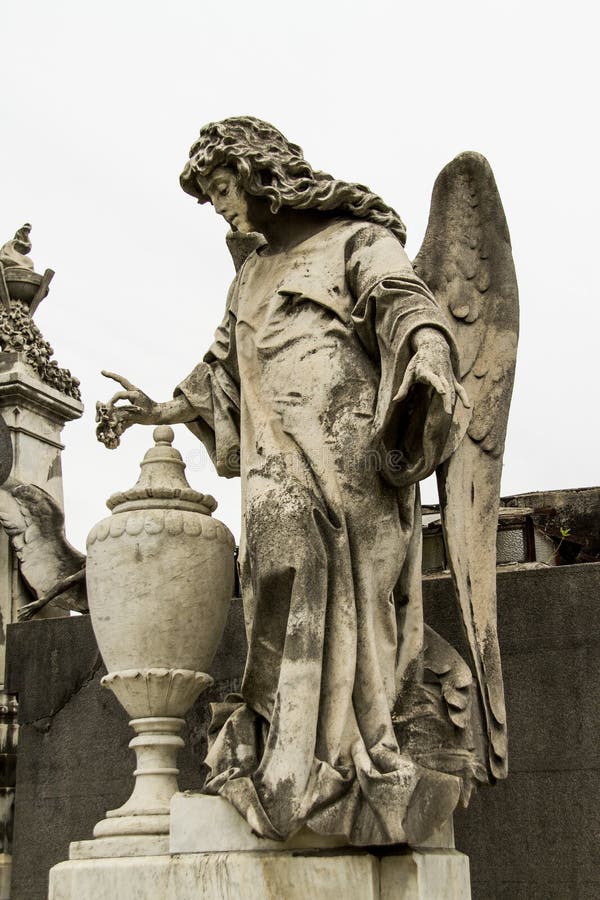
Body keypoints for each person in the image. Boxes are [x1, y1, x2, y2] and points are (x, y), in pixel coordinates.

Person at [100, 116, 475, 845]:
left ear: (260, 171)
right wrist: (162, 407)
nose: (221, 207)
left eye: (221, 187)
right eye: (210, 197)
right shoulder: (250, 274)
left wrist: (428, 352)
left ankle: (349, 758)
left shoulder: (355, 239)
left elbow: (408, 305)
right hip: (275, 458)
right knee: (276, 574)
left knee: (355, 603)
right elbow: (219, 371)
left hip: (350, 456)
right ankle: (285, 757)